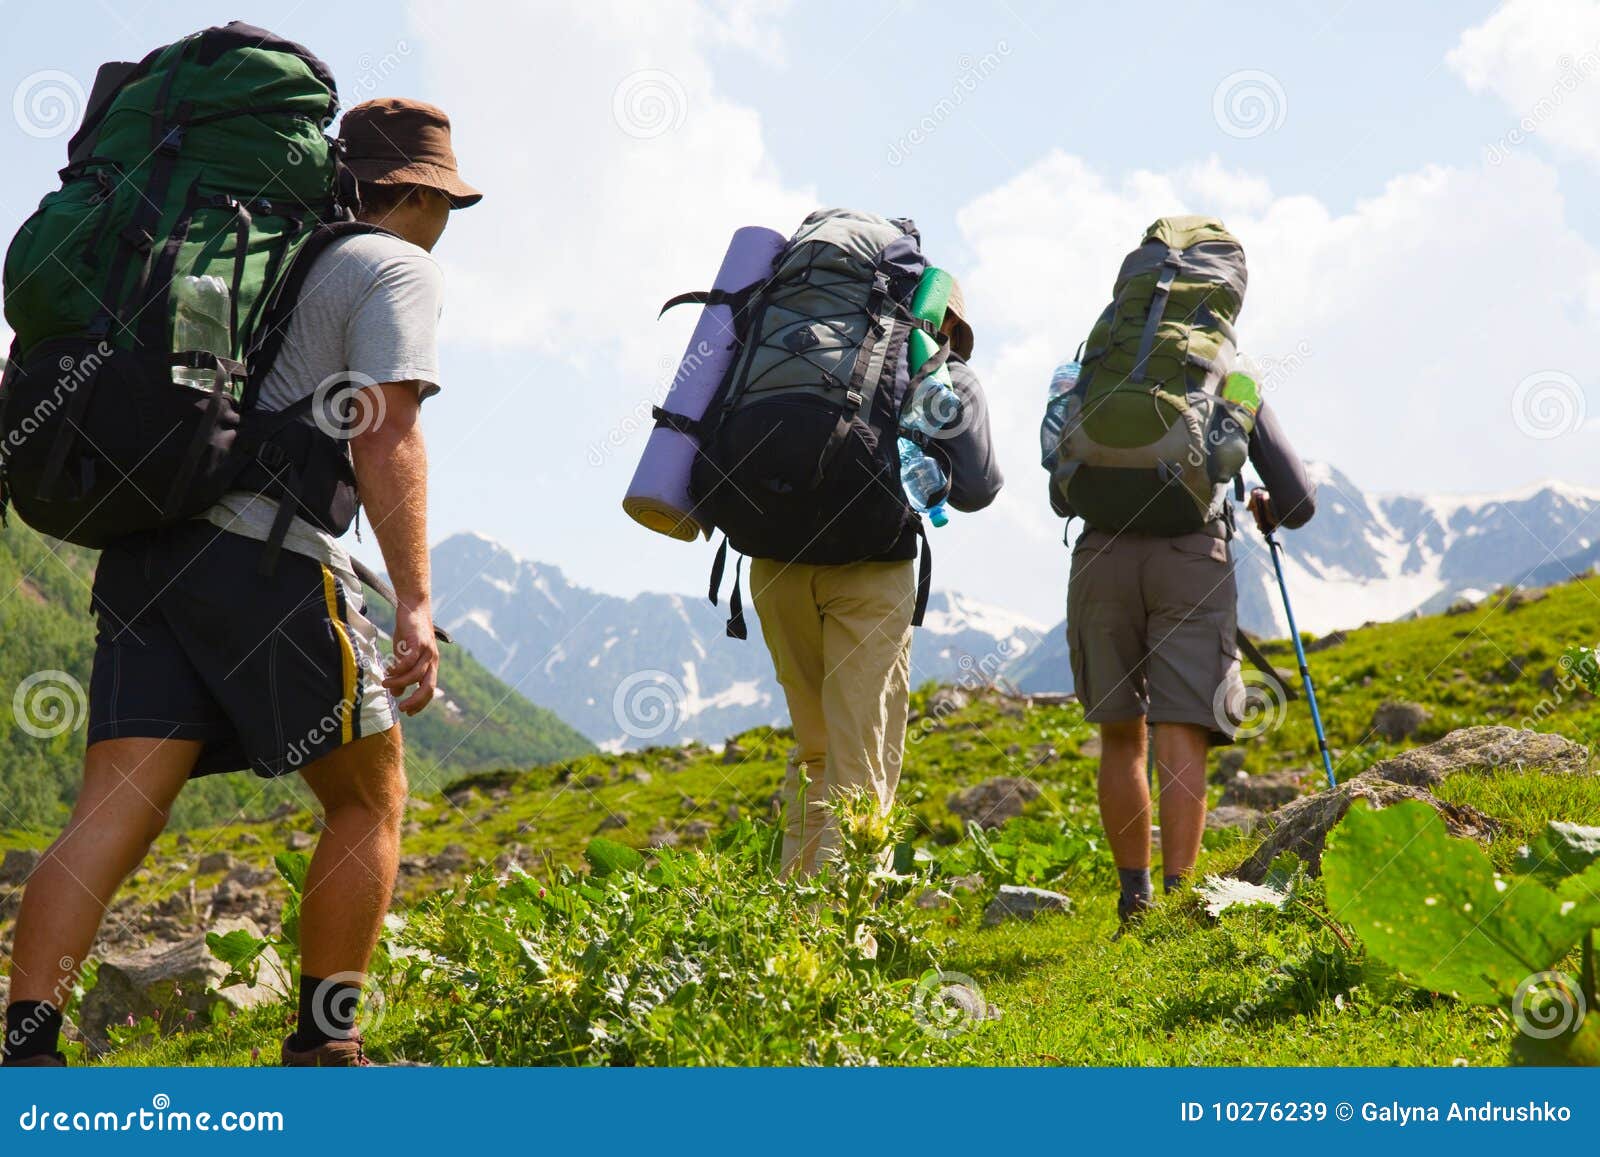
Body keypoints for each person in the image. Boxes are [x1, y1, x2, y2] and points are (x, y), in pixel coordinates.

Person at [1, 98, 481, 1068]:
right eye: (448, 203)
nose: (447, 225)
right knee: (367, 801)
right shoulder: (390, 266)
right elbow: (387, 433)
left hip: (144, 558)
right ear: (417, 193)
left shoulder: (228, 258)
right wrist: (418, 601)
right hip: (267, 560)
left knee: (105, 815)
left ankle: (27, 1051)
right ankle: (324, 1045)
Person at [751, 278, 1002, 877]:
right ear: (947, 322)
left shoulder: (791, 343)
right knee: (862, 768)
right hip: (869, 570)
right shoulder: (939, 367)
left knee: (815, 754)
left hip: (772, 563)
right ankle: (843, 949)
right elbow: (978, 489)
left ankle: (785, 944)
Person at [1065, 400, 1316, 928]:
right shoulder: (1230, 371)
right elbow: (1298, 503)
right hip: (1192, 556)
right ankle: (1180, 907)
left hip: (1101, 557)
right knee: (1181, 724)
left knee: (1119, 734)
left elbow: (1060, 477)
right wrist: (1269, 502)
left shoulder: (1103, 358)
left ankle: (1134, 904)